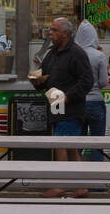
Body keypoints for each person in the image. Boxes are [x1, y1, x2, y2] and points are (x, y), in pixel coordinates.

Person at [29, 17, 92, 194]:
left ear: (65, 33)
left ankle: (60, 185)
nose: (50, 33)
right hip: (55, 104)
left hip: (70, 107)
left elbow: (87, 81)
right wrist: (37, 80)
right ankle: (81, 187)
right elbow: (45, 75)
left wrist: (68, 96)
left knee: (60, 144)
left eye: (54, 30)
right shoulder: (52, 53)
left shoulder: (77, 53)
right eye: (51, 29)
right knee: (71, 149)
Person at [75, 20, 110, 162]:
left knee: (77, 144)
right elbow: (104, 82)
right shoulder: (99, 56)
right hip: (96, 102)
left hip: (78, 104)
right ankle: (97, 182)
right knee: (97, 144)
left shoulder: (74, 54)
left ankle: (75, 179)